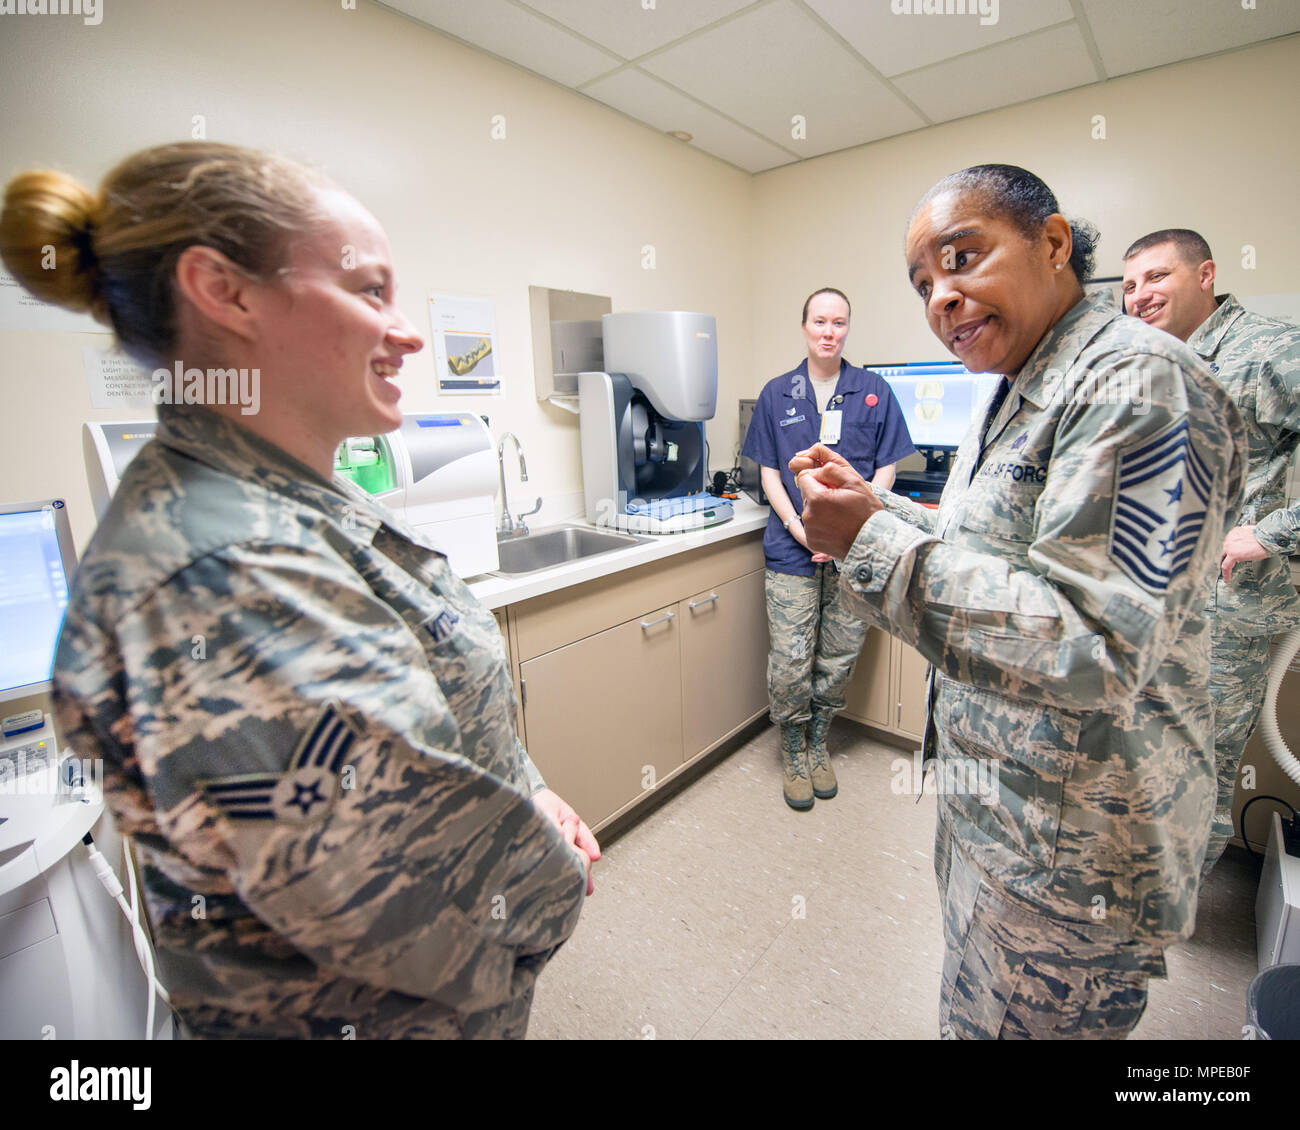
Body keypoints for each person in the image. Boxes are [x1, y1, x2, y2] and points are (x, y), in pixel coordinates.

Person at [0, 142, 597, 1039]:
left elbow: (419, 732)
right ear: (224, 291)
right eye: (368, 291)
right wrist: (546, 870)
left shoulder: (297, 490)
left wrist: (527, 790)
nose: (404, 332)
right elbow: (410, 899)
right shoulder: (222, 574)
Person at [792, 165, 1245, 1038]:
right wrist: (875, 503)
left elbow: (1092, 643)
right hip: (999, 814)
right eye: (924, 284)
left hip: (1073, 856)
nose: (943, 297)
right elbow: (986, 550)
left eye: (963, 258)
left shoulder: (1141, 385)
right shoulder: (1016, 389)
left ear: (1052, 242)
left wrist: (869, 541)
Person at [1122, 228, 1300, 880]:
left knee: (1202, 756)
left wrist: (1278, 530)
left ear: (1205, 275)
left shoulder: (1266, 349)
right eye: (1131, 283)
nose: (1140, 295)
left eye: (1156, 278)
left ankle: (1173, 892)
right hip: (1156, 597)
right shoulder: (1159, 364)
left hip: (1226, 608)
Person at [741, 288, 915, 810]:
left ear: (846, 329)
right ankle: (792, 746)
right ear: (804, 327)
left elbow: (886, 465)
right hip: (791, 550)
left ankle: (820, 742)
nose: (829, 331)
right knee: (792, 658)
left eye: (838, 323)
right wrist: (800, 528)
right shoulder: (777, 393)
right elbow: (770, 472)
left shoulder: (873, 391)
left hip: (853, 552)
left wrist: (856, 524)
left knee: (838, 656)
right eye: (820, 321)